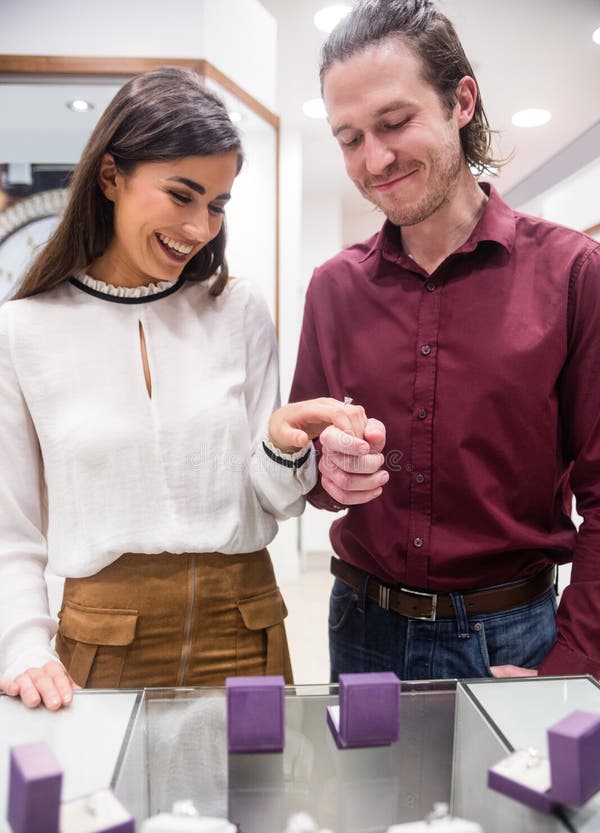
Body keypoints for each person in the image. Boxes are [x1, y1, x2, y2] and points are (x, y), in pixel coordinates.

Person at [0, 66, 366, 711]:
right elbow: (12, 527)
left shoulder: (238, 309)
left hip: (247, 627)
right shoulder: (23, 329)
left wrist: (283, 450)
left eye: (218, 205)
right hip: (103, 639)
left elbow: (276, 501)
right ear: (111, 177)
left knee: (256, 809)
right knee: (110, 812)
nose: (200, 228)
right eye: (182, 195)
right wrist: (24, 643)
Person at [288, 0, 600, 681]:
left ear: (461, 101)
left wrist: (577, 657)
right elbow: (313, 473)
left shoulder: (572, 272)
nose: (374, 159)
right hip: (361, 627)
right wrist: (323, 472)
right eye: (349, 138)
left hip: (516, 637)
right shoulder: (333, 288)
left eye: (395, 122)